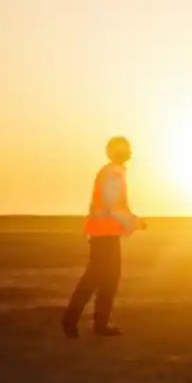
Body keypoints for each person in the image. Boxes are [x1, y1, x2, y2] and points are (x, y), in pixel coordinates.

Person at [61, 136, 146, 338]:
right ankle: (73, 321)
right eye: (127, 149)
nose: (130, 153)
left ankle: (97, 324)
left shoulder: (111, 173)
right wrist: (135, 222)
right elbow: (113, 205)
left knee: (106, 280)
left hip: (104, 234)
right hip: (105, 235)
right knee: (97, 279)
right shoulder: (114, 174)